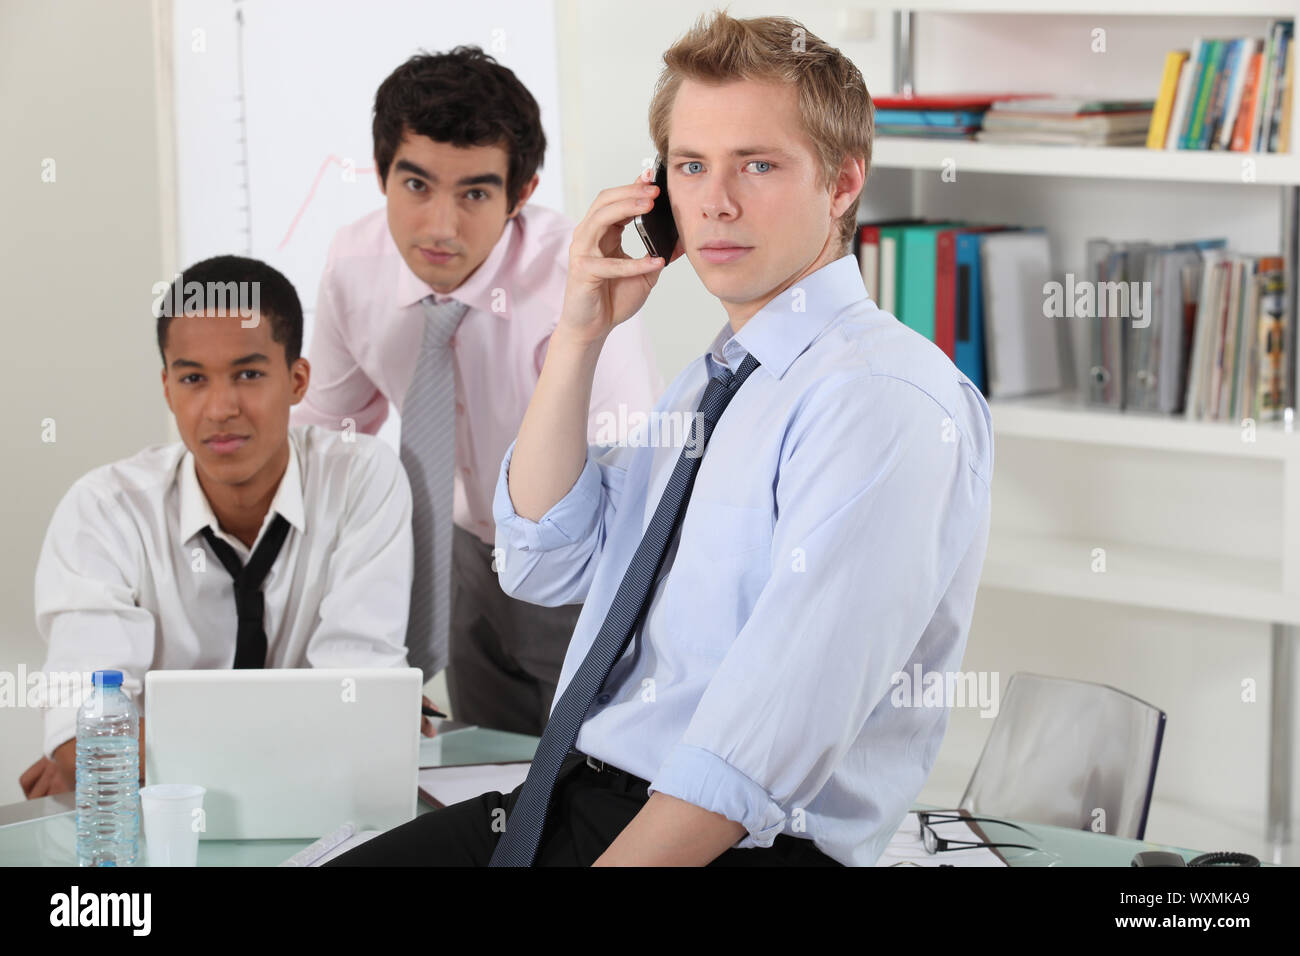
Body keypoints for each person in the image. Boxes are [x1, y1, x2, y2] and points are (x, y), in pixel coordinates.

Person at [328, 11, 993, 867]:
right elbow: (542, 558)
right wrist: (578, 336)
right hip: (581, 794)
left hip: (720, 845)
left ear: (841, 182)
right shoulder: (717, 376)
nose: (715, 201)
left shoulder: (882, 402)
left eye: (757, 164)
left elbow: (752, 755)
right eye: (690, 166)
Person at [292, 48, 662, 736]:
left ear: (521, 196)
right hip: (460, 554)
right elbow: (323, 439)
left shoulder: (573, 280)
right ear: (380, 175)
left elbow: (630, 468)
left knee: (596, 770)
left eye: (474, 193)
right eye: (416, 185)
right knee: (487, 764)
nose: (439, 226)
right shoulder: (354, 266)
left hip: (581, 557)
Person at [19, 255, 428, 800]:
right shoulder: (104, 509)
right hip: (156, 825)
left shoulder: (360, 477)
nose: (219, 408)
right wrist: (324, 733)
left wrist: (136, 751)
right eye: (193, 379)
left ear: (298, 380)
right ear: (167, 389)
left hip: (311, 815)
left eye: (249, 374)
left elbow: (361, 700)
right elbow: (88, 733)